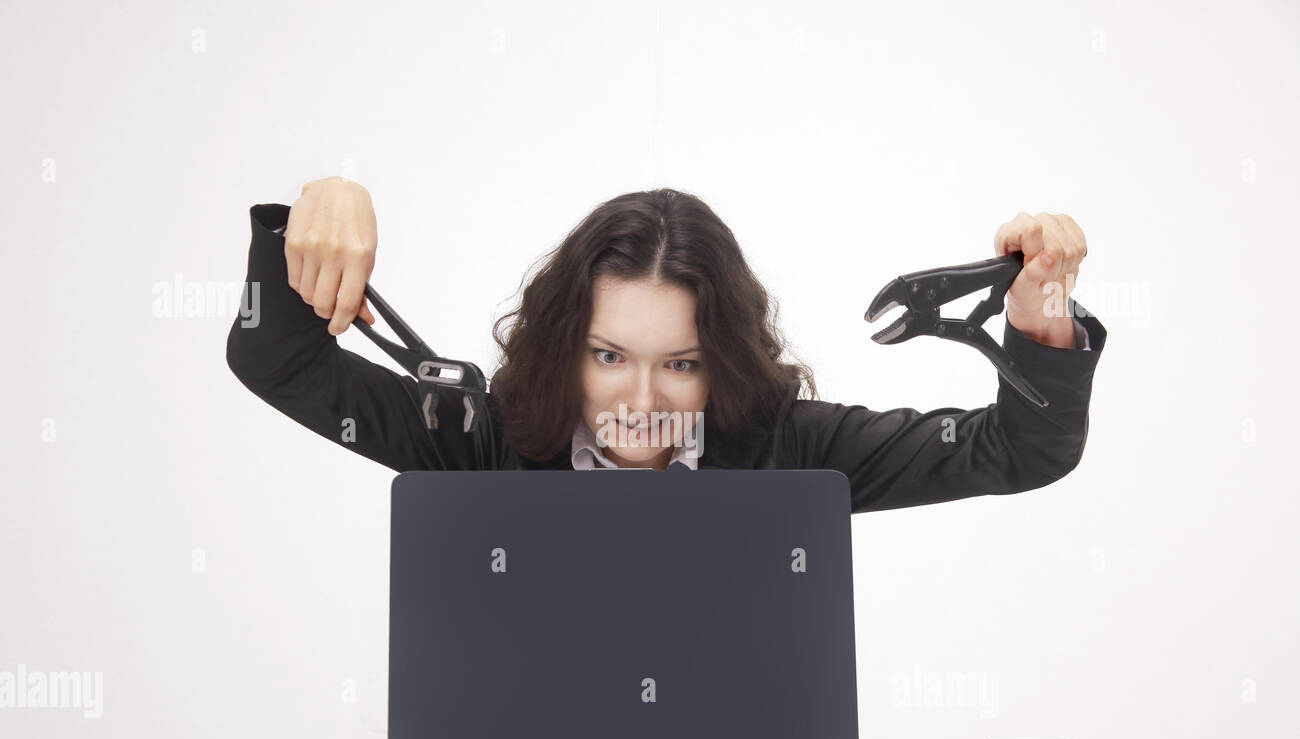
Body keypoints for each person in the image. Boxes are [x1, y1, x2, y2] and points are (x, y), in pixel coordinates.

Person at [226, 177, 1106, 514]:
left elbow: (1022, 451)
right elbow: (275, 356)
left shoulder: (788, 452)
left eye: (679, 364)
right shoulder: (478, 438)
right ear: (563, 349)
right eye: (609, 356)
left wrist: (1042, 313)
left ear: (721, 363)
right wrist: (315, 207)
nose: (641, 402)